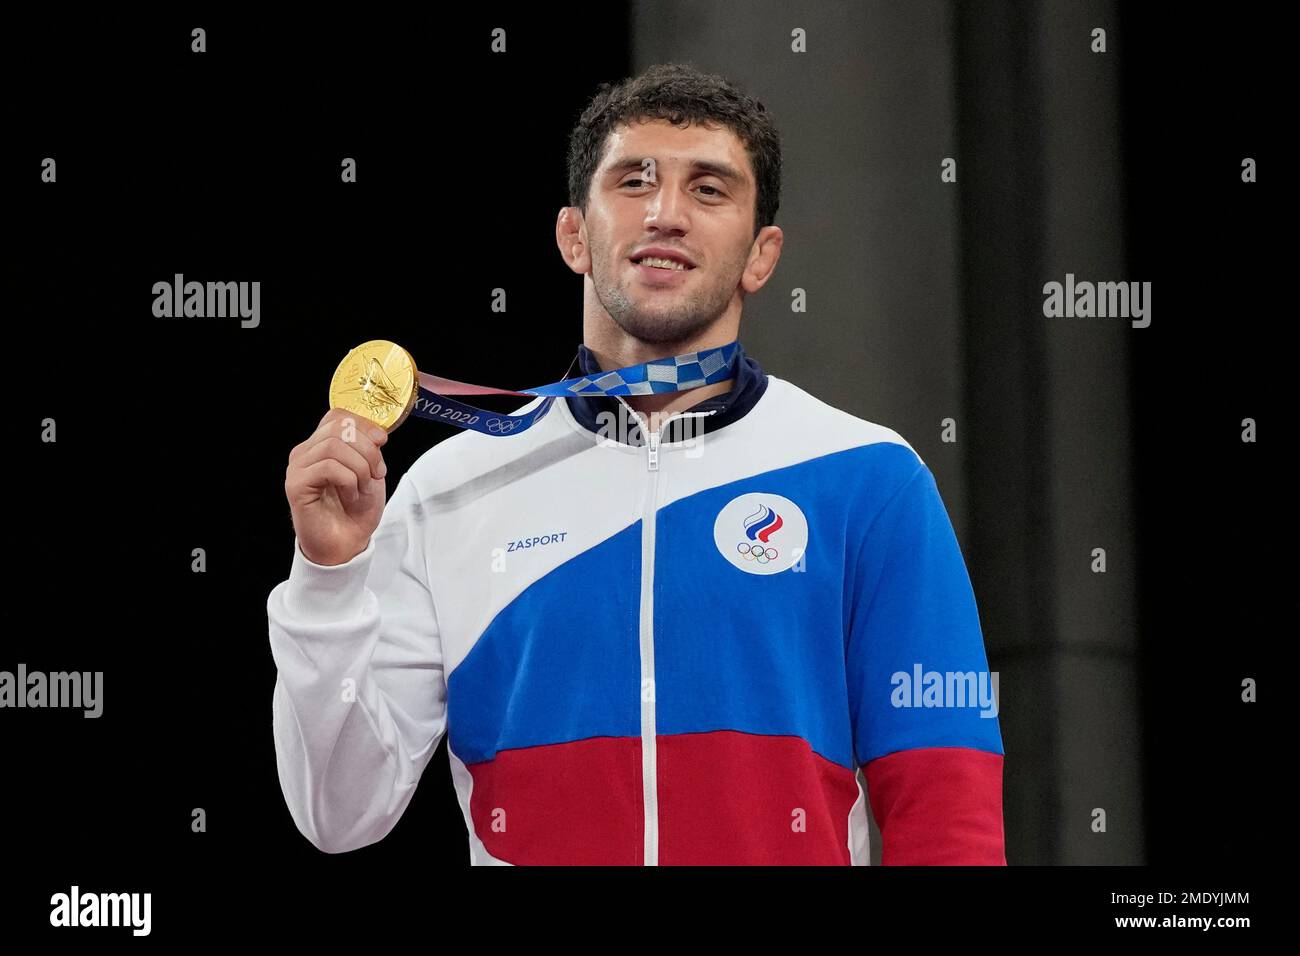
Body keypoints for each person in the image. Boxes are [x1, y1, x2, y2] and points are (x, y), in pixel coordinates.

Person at [268, 63, 1005, 865]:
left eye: (709, 189)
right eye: (633, 182)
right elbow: (338, 815)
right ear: (574, 236)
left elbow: (946, 798)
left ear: (762, 257)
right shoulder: (450, 491)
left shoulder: (868, 479)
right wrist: (330, 579)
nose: (665, 214)